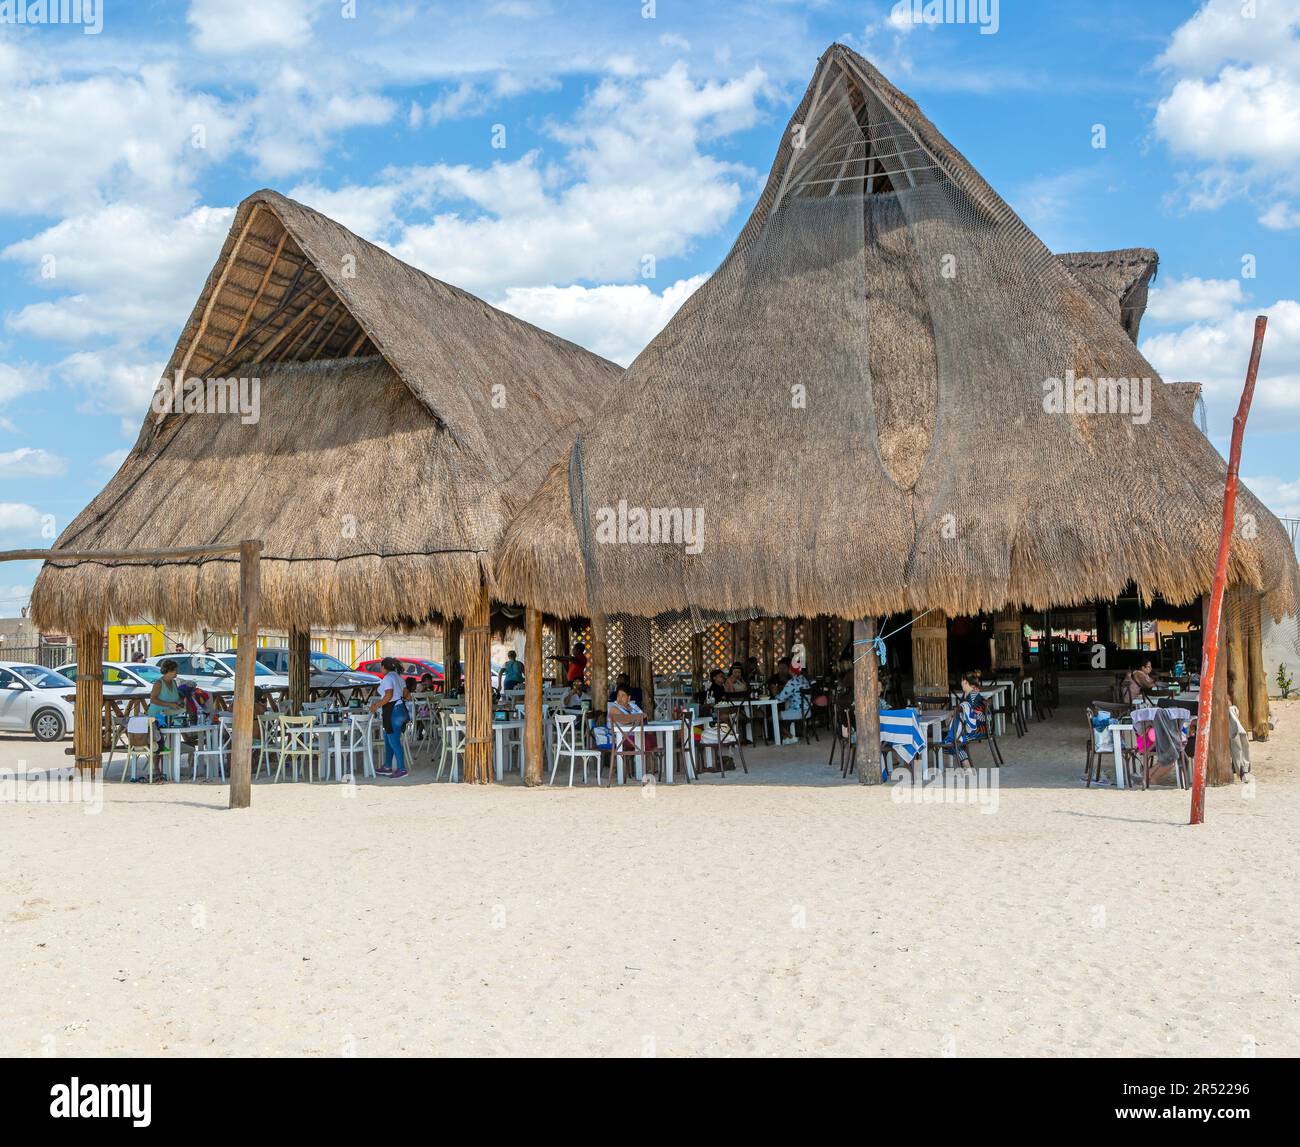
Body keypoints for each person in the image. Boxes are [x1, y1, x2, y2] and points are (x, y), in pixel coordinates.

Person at [369, 656, 410, 778]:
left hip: (393, 712)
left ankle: (402, 769)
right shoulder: (399, 677)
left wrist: (376, 705)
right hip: (401, 709)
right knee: (388, 739)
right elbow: (406, 694)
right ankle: (387, 766)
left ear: (383, 667)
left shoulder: (387, 678)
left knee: (394, 741)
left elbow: (388, 694)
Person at [774, 669, 811, 745]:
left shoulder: (792, 682)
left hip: (797, 712)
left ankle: (791, 737)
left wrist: (774, 694)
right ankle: (786, 737)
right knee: (783, 715)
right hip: (808, 711)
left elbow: (781, 697)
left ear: (791, 671)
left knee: (772, 718)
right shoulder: (804, 680)